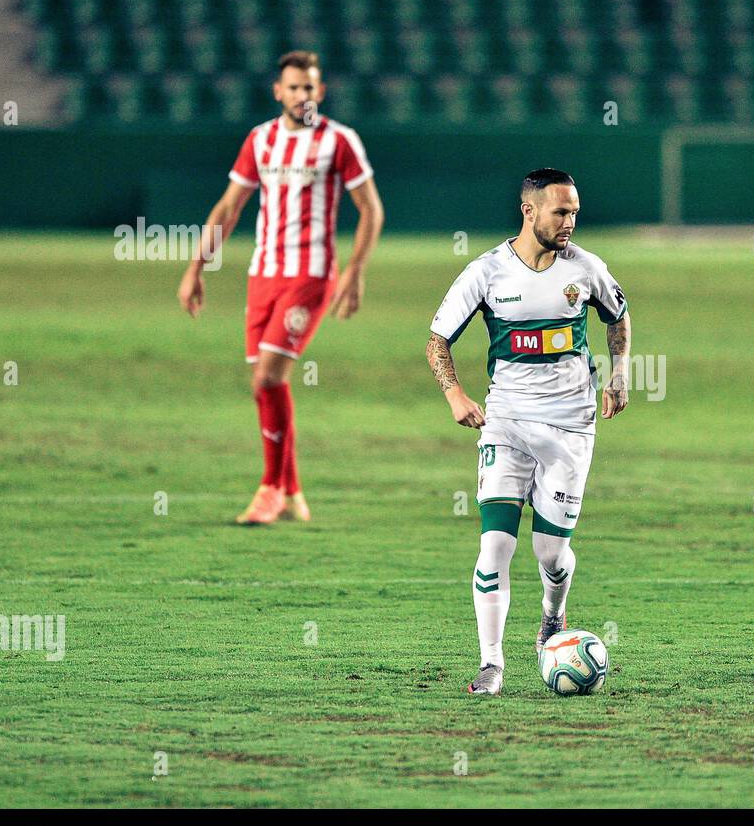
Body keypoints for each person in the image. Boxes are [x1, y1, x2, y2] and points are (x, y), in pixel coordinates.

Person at [425, 168, 631, 695]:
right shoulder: (488, 272)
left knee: (549, 555)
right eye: (561, 212)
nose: (570, 222)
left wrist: (620, 373)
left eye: (575, 213)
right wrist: (455, 395)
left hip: (570, 427)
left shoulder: (585, 268)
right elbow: (437, 340)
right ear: (529, 211)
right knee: (494, 544)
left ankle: (551, 616)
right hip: (506, 423)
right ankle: (491, 664)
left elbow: (618, 317)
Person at [178, 50, 384, 525]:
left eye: (309, 87)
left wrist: (355, 270)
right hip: (263, 275)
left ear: (320, 91)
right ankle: (292, 492)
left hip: (311, 276)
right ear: (279, 92)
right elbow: (229, 207)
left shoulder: (339, 141)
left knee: (267, 377)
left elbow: (370, 209)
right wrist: (196, 267)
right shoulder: (261, 140)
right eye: (292, 87)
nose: (301, 95)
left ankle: (269, 489)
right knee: (268, 386)